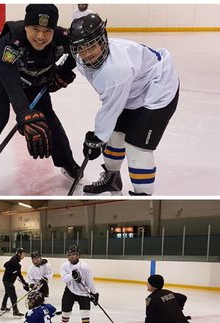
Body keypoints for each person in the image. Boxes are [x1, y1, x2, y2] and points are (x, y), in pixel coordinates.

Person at [0, 3, 82, 195]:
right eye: (35, 29)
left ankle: (67, 162)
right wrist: (24, 113)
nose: (40, 36)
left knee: (48, 118)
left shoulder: (62, 38)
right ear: (26, 26)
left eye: (47, 31)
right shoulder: (11, 43)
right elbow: (10, 82)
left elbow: (76, 50)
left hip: (34, 79)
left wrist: (63, 72)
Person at [68, 13, 180, 195]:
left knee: (137, 148)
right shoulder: (83, 58)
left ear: (103, 41)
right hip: (132, 89)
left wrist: (96, 138)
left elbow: (111, 108)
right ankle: (112, 179)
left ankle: (143, 196)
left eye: (91, 46)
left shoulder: (115, 69)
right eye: (81, 48)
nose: (87, 54)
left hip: (158, 88)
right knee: (114, 135)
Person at [58, 245, 98, 323]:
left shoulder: (85, 267)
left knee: (85, 312)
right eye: (70, 255)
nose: (71, 257)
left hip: (83, 292)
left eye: (74, 255)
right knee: (66, 311)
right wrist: (72, 275)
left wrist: (94, 293)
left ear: (78, 255)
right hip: (70, 290)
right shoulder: (64, 266)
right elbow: (64, 279)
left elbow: (89, 281)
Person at [0, 248, 30, 316]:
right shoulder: (14, 260)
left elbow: (19, 275)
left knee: (7, 293)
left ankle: (3, 307)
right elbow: (5, 265)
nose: (24, 256)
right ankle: (15, 311)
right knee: (13, 296)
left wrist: (24, 284)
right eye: (23, 254)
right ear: (19, 254)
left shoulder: (17, 263)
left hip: (7, 280)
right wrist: (13, 272)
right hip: (8, 281)